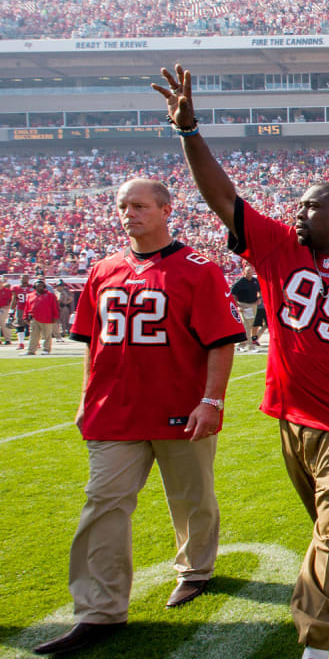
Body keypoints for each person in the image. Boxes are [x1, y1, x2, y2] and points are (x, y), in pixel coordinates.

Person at [154, 64, 329, 659]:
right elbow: (223, 198)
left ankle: (314, 639)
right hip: (292, 417)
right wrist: (189, 132)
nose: (296, 214)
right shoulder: (280, 249)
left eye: (308, 208)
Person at [33, 178, 246, 656]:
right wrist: (86, 397)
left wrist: (211, 401)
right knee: (102, 505)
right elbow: (92, 343)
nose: (130, 213)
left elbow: (220, 342)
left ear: (166, 210)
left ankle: (195, 570)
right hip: (114, 411)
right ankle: (99, 610)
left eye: (141, 205)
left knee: (192, 499)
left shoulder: (198, 269)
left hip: (179, 409)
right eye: (123, 206)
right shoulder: (103, 269)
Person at [229, 264, 261, 353]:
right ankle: (248, 346)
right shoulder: (240, 283)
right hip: (244, 305)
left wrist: (259, 298)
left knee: (251, 325)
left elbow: (259, 291)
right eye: (248, 272)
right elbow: (233, 295)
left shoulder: (255, 281)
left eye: (251, 272)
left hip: (253, 305)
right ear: (244, 272)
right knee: (247, 326)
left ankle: (242, 345)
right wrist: (238, 306)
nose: (250, 274)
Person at [24, 277, 59, 355]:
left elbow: (55, 306)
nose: (40, 287)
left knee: (47, 335)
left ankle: (46, 349)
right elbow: (27, 307)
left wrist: (55, 317)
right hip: (34, 318)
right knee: (33, 335)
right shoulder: (30, 295)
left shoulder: (50, 295)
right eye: (38, 286)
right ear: (35, 287)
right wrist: (25, 316)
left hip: (47, 318)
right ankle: (31, 350)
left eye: (41, 286)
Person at [0, 279, 11, 344]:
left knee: (4, 324)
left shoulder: (7, 291)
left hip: (4, 308)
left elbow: (10, 300)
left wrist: (8, 307)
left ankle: (7, 339)